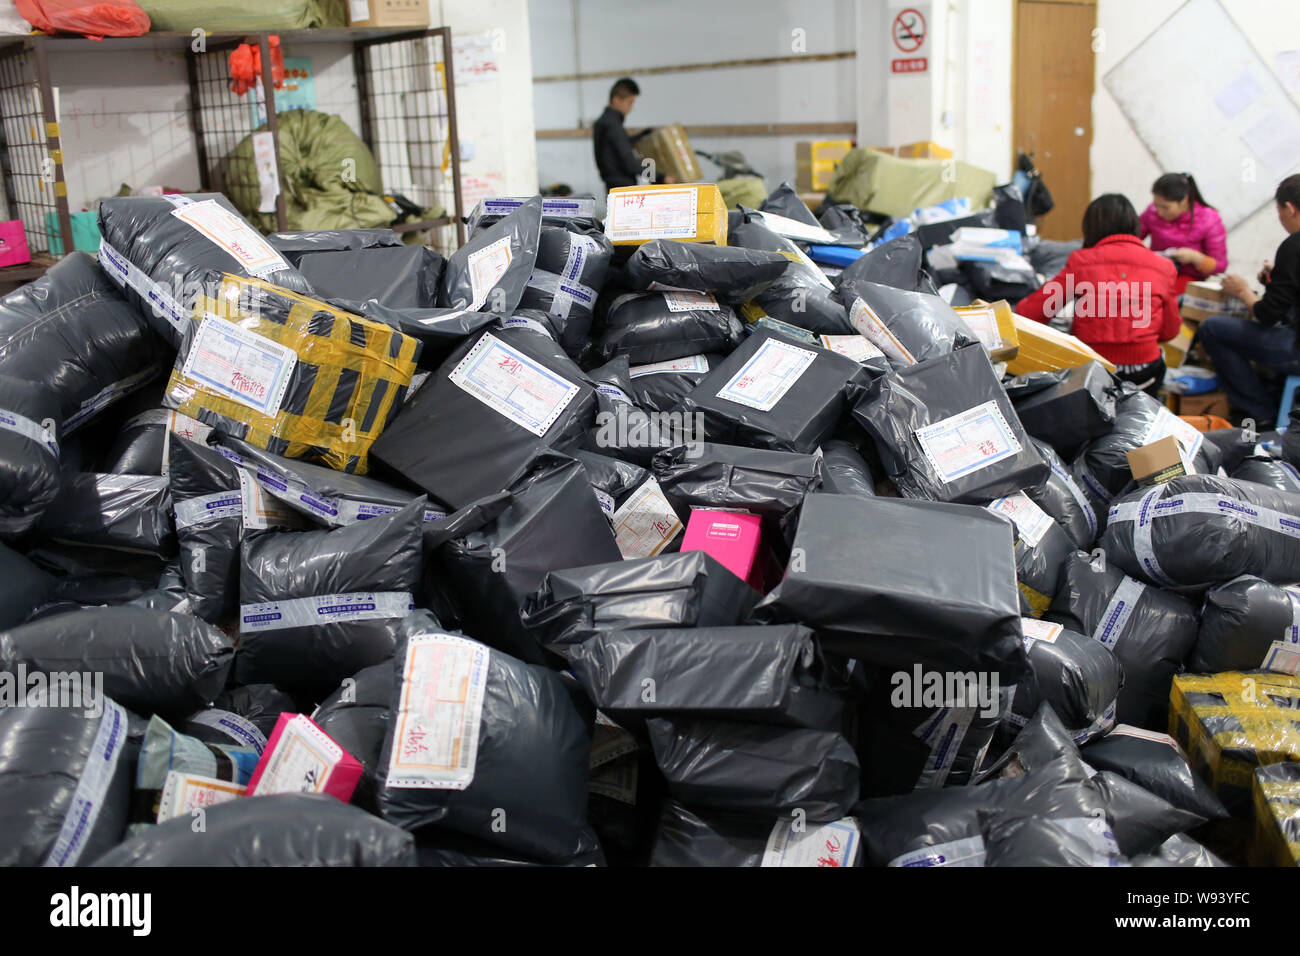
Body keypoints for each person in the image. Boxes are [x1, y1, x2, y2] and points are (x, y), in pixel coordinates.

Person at [1016, 194, 1181, 397]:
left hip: (1095, 370)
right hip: (1144, 373)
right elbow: (1170, 332)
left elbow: (1031, 312)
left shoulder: (1082, 261)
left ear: (1091, 228)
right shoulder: (1164, 266)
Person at [1196, 175, 1300, 429]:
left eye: (1279, 212)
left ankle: (1258, 412)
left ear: (1290, 208)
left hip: (1296, 349)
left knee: (1213, 328)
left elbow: (1267, 314)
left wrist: (1243, 291)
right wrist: (1274, 281)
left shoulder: (1294, 245)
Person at [1139, 172, 1228, 294]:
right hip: (1154, 271)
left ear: (1185, 200)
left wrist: (1195, 257)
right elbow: (1134, 235)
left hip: (1187, 279)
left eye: (1165, 207)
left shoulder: (1208, 219)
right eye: (1156, 205)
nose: (1159, 212)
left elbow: (1220, 266)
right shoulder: (1152, 211)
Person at [592, 77, 676, 193]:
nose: (631, 107)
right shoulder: (613, 125)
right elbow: (630, 163)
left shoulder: (603, 122)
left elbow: (619, 146)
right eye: (630, 102)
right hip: (622, 188)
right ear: (617, 100)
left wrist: (642, 135)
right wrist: (661, 177)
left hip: (613, 185)